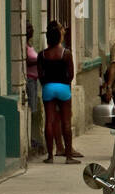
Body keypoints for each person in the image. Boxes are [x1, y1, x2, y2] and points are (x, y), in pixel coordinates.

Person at [39, 23, 79, 164]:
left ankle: (50, 156)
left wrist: (47, 84)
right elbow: (71, 74)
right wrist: (64, 82)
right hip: (63, 88)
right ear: (59, 38)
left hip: (48, 88)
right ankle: (68, 156)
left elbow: (40, 75)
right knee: (66, 121)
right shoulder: (66, 53)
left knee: (49, 121)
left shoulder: (42, 54)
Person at [26, 22, 42, 156]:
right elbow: (26, 60)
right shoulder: (24, 46)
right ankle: (30, 138)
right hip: (29, 80)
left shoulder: (29, 45)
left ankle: (32, 137)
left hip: (34, 80)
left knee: (34, 109)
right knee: (31, 108)